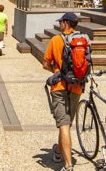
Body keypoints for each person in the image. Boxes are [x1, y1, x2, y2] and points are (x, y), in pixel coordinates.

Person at [42, 12, 83, 171]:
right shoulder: (83, 40)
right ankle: (59, 151)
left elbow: (46, 64)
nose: (60, 25)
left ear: (66, 23)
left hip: (59, 87)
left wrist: (57, 72)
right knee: (67, 123)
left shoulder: (56, 40)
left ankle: (68, 165)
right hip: (77, 86)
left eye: (61, 22)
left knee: (63, 125)